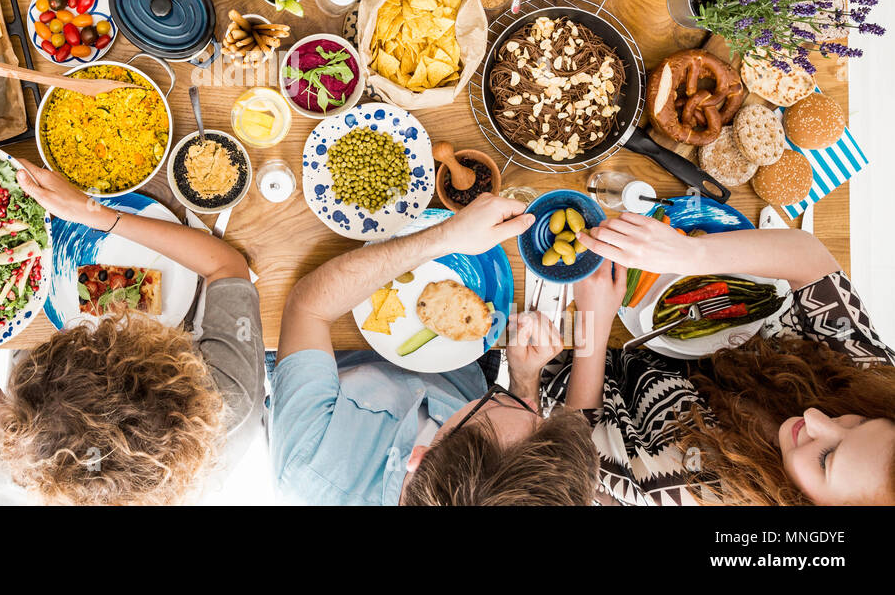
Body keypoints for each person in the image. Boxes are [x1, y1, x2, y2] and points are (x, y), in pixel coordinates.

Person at [0, 165, 265, 505]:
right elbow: (228, 267)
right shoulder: (227, 407)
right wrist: (98, 216)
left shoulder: (21, 472)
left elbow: (3, 437)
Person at [271, 194, 602, 506]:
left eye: (493, 403)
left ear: (419, 457)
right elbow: (519, 423)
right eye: (539, 418)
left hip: (335, 345)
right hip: (467, 373)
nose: (532, 404)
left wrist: (445, 237)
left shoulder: (309, 465)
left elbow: (307, 309)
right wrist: (522, 380)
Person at [554, 214, 895, 506]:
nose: (816, 418)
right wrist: (689, 253)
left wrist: (592, 324)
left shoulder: (696, 493)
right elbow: (814, 263)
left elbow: (579, 451)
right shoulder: (877, 390)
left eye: (826, 458)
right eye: (858, 422)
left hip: (576, 367)